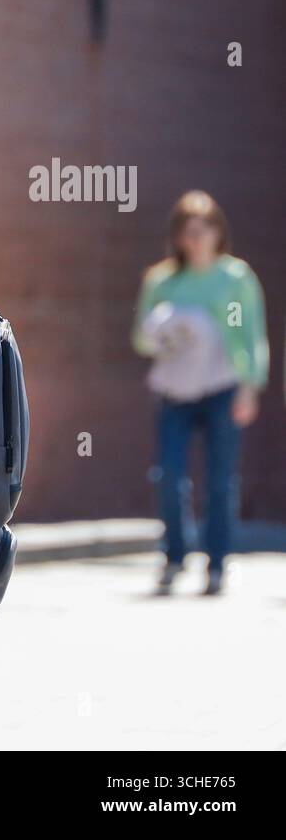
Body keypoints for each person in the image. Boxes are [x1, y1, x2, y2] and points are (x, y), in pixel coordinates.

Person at [131, 190, 268, 596]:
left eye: (202, 230)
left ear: (217, 231)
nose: (195, 239)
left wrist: (250, 386)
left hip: (223, 388)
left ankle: (217, 563)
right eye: (187, 232)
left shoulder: (234, 279)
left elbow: (249, 333)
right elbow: (142, 338)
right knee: (170, 474)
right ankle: (174, 556)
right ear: (177, 237)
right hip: (175, 391)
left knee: (221, 479)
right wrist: (168, 333)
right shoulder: (163, 281)